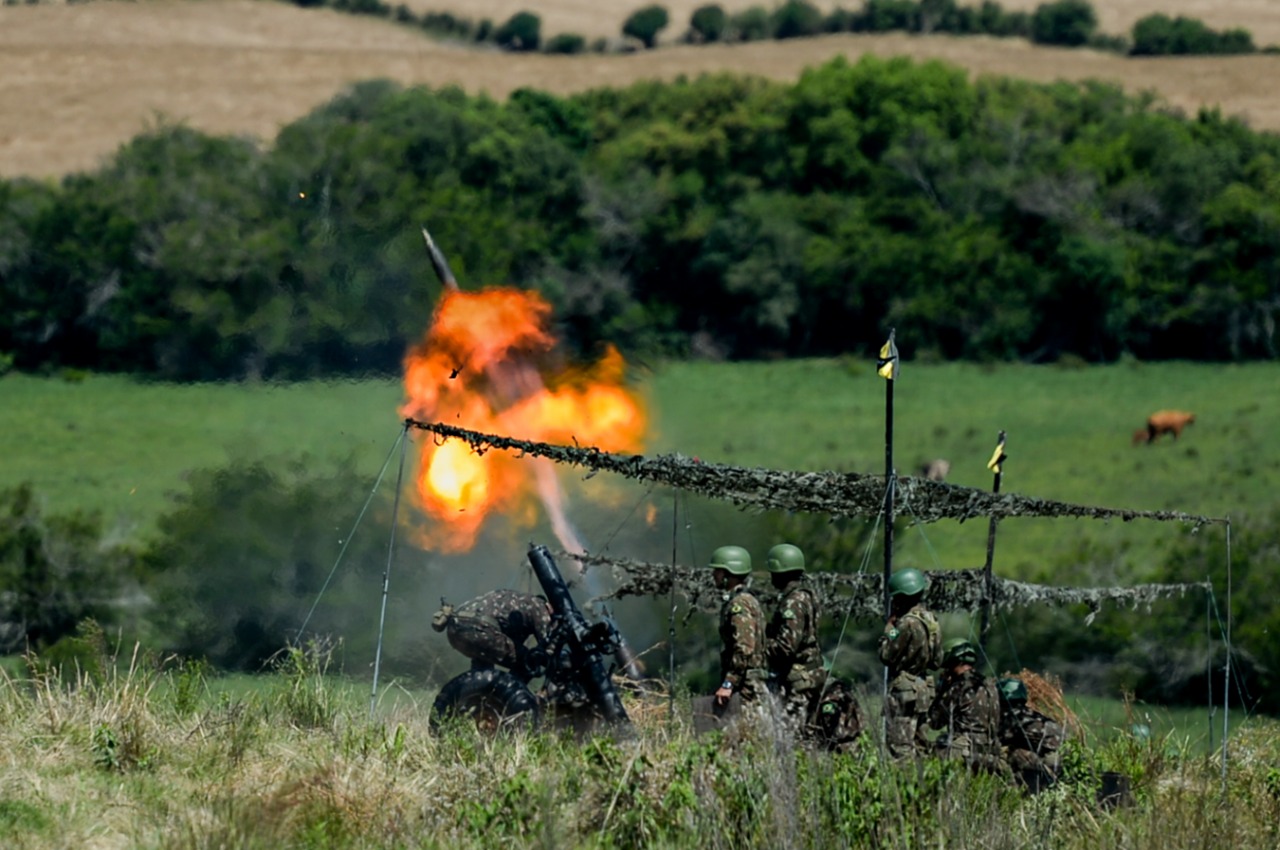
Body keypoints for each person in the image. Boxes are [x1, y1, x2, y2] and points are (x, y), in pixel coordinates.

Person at [877, 566, 942, 758]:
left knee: (900, 746)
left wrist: (889, 629)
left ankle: (904, 777)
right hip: (924, 689)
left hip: (905, 690)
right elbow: (937, 661)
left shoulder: (906, 623)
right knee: (921, 744)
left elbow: (886, 654)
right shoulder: (932, 621)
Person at [431, 589, 553, 683]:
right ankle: (507, 700)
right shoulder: (540, 606)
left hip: (454, 628)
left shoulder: (517, 600)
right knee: (528, 663)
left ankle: (473, 699)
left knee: (482, 669)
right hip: (481, 628)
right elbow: (551, 650)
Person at [764, 543, 824, 729]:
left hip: (799, 680)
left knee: (792, 734)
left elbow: (786, 647)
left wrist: (761, 644)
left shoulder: (793, 603)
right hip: (811, 673)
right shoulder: (808, 597)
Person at [929, 638, 1006, 774]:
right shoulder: (990, 685)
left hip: (966, 752)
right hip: (991, 753)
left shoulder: (958, 687)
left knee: (934, 747)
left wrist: (942, 689)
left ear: (953, 662)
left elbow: (934, 722)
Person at [709, 544, 768, 712]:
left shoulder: (739, 604)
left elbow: (744, 646)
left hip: (746, 686)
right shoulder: (746, 600)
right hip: (746, 682)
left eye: (718, 571)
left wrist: (729, 683)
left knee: (746, 726)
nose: (714, 575)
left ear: (729, 574)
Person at [997, 677, 1065, 792]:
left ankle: (1015, 791)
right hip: (1065, 758)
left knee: (1010, 754)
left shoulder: (1012, 717)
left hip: (1052, 761)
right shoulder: (1031, 714)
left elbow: (997, 740)